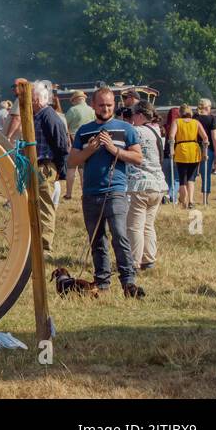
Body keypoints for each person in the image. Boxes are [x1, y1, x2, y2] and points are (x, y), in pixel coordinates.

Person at [67, 88, 144, 297]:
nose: (106, 108)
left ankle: (129, 282)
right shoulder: (84, 131)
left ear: (114, 104)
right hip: (90, 193)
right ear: (93, 105)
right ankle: (102, 283)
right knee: (97, 240)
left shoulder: (125, 129)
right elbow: (72, 161)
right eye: (102, 105)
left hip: (115, 191)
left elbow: (138, 158)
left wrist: (114, 150)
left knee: (120, 235)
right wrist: (89, 150)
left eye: (109, 105)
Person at [125, 101, 166, 271]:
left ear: (140, 115)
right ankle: (148, 259)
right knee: (148, 225)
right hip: (158, 184)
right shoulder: (157, 130)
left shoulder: (136, 131)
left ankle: (134, 262)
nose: (132, 118)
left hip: (140, 183)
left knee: (134, 225)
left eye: (133, 115)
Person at [30, 80, 67, 252]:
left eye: (30, 97)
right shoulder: (37, 115)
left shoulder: (49, 116)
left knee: (45, 206)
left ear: (37, 99)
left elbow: (61, 145)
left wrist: (61, 169)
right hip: (36, 165)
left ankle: (45, 245)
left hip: (45, 166)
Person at [171, 104, 209, 210]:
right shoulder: (196, 123)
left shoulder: (177, 122)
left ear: (180, 113)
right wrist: (205, 151)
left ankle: (183, 201)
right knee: (191, 178)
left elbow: (171, 136)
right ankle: (191, 201)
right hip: (194, 150)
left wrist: (171, 149)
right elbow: (205, 137)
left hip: (181, 150)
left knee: (182, 178)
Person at [63, 90, 94, 200]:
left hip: (74, 139)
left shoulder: (72, 110)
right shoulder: (92, 110)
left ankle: (69, 194)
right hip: (88, 141)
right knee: (83, 169)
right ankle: (85, 193)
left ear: (76, 100)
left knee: (71, 167)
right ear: (84, 99)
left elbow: (64, 125)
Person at [196, 99, 216, 205]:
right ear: (206, 107)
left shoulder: (195, 118)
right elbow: (214, 137)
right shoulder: (212, 119)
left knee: (191, 174)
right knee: (206, 174)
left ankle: (189, 198)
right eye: (210, 106)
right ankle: (205, 199)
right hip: (207, 149)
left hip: (194, 147)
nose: (211, 108)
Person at [162, 106, 181, 203]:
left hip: (165, 156)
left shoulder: (165, 126)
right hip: (175, 155)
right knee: (177, 179)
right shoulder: (179, 125)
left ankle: (167, 195)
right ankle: (171, 196)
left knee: (168, 180)